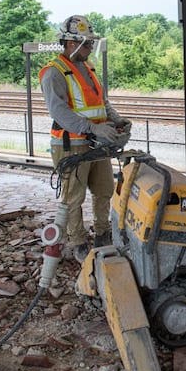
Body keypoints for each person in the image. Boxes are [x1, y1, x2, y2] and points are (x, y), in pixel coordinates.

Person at [39, 15, 131, 264]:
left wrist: (117, 121)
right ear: (71, 43)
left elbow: (102, 102)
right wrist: (93, 128)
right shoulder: (54, 73)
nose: (91, 48)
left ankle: (102, 235)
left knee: (104, 190)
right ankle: (78, 241)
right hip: (72, 145)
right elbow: (59, 112)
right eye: (87, 44)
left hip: (96, 143)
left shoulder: (87, 67)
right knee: (73, 197)